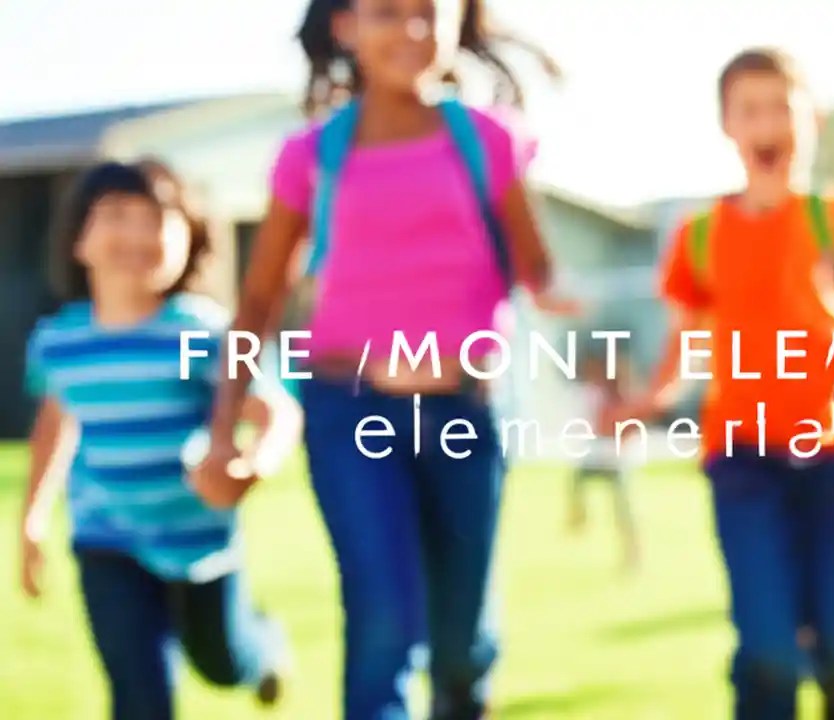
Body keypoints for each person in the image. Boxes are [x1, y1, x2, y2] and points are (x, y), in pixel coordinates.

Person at [202, 1, 571, 718]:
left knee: (462, 639)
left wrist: (558, 293)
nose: (409, 29)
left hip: (466, 408)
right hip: (350, 411)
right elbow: (258, 300)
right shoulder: (312, 156)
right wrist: (225, 431)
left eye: (427, 12)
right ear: (346, 27)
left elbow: (536, 266)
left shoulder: (488, 140)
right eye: (386, 12)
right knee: (383, 622)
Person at [635, 48, 834, 720]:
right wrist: (645, 403)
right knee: (768, 644)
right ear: (727, 125)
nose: (768, 123)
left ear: (813, 121)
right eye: (751, 109)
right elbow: (683, 344)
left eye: (783, 107)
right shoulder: (700, 234)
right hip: (745, 458)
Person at [18, 161, 299, 720]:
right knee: (139, 693)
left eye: (157, 220)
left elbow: (277, 411)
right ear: (79, 238)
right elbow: (55, 424)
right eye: (118, 216)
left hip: (201, 542)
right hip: (107, 537)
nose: (138, 234)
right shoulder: (58, 342)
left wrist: (252, 466)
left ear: (189, 241)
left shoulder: (197, 331)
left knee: (222, 662)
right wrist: (32, 518)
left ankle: (264, 651)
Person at [567, 354, 641, 572]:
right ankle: (579, 519)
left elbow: (629, 430)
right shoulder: (595, 396)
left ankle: (632, 554)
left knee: (623, 511)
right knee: (575, 484)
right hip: (597, 456)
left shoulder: (623, 401)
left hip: (616, 462)